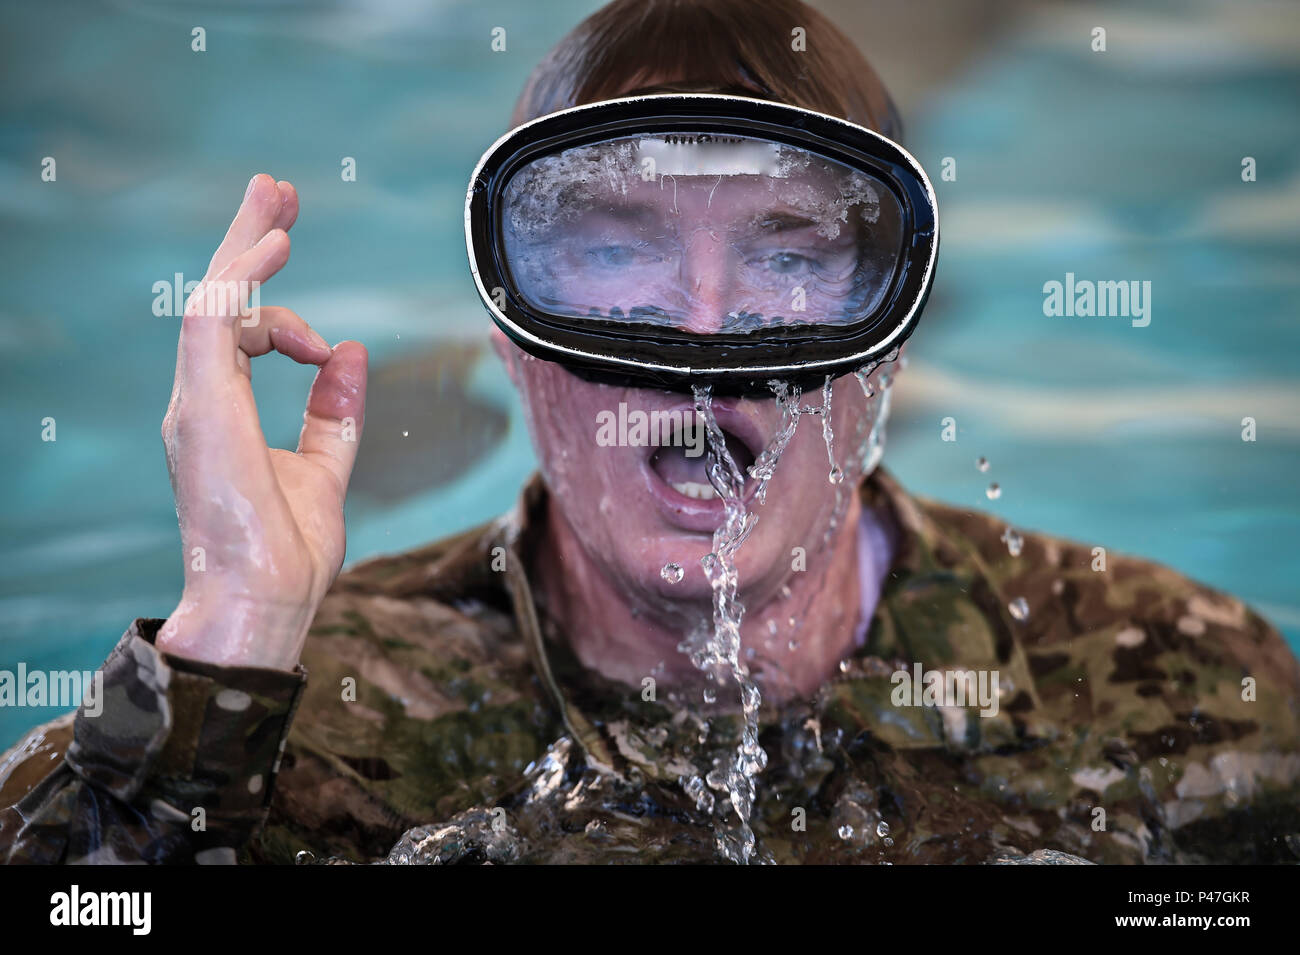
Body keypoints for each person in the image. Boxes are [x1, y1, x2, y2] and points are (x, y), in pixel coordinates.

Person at [2, 0, 1297, 866]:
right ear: (511, 332)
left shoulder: (1174, 692)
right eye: (612, 260)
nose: (702, 347)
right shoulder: (290, 714)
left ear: (892, 333)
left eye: (793, 261)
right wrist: (231, 630)